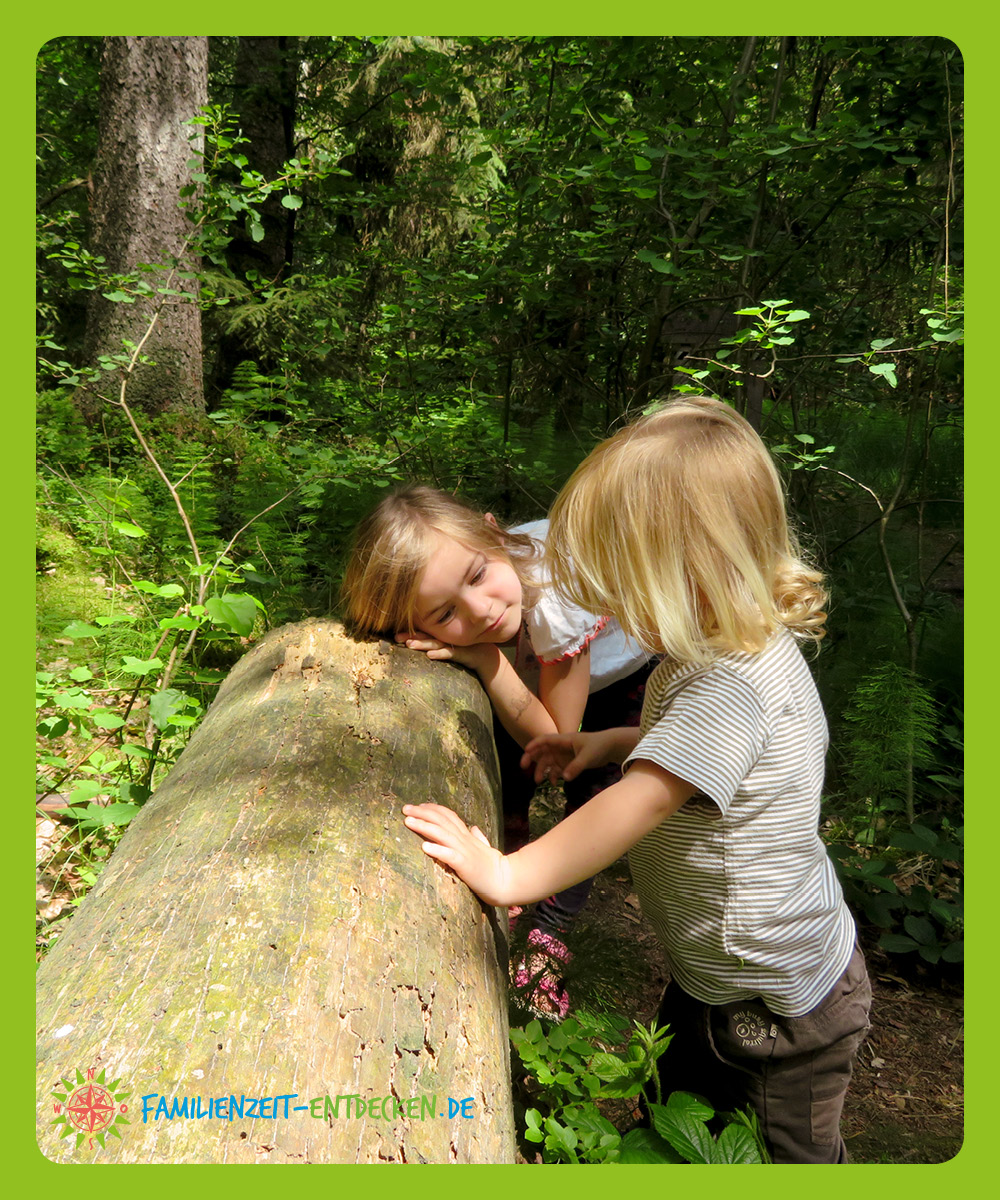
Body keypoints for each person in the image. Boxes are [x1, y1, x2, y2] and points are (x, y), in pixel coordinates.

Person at [401, 396, 871, 1164]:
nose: (611, 610)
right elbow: (693, 758)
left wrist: (508, 873)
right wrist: (608, 743)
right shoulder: (718, 648)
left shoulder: (732, 684)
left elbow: (640, 801)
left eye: (622, 589)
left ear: (690, 569)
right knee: (666, 1126)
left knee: (789, 1160)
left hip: (781, 1002)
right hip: (712, 979)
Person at [341, 485, 656, 1018]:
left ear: (494, 533)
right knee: (508, 767)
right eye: (445, 613)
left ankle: (550, 933)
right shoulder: (491, 581)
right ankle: (501, 877)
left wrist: (488, 662)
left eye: (477, 576)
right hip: (544, 664)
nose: (480, 609)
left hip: (625, 668)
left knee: (592, 791)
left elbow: (557, 742)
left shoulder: (557, 596)